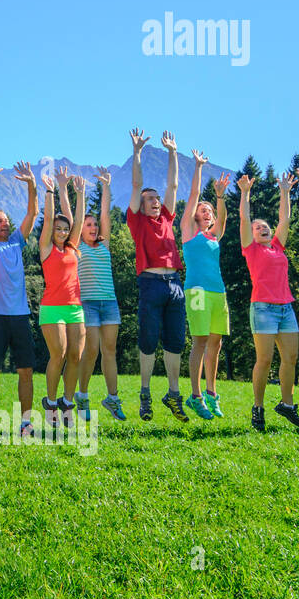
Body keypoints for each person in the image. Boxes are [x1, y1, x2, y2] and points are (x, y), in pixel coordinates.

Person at [126, 128, 189, 422]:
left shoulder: (166, 217)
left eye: (155, 198)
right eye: (148, 198)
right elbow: (137, 182)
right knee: (149, 341)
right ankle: (145, 393)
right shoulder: (137, 222)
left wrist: (173, 152)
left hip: (175, 285)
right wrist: (137, 151)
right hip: (150, 284)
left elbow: (174, 186)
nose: (153, 201)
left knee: (176, 342)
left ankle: (173, 394)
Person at [237, 172, 299, 432]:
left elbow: (285, 219)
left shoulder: (278, 247)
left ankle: (287, 405)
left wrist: (285, 191)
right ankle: (258, 408)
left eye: (265, 226)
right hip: (263, 308)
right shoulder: (250, 249)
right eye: (258, 227)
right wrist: (245, 192)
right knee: (264, 360)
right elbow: (244, 218)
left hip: (286, 308)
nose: (263, 228)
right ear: (252, 235)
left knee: (290, 356)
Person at [0, 162, 39, 440]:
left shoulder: (17, 240)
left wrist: (31, 184)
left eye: (6, 220)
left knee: (26, 370)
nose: (5, 223)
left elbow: (32, 212)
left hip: (20, 316)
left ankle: (26, 423)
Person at [180, 151, 231, 420]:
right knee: (199, 340)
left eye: (209, 210)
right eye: (203, 209)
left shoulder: (214, 237)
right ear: (195, 215)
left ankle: (212, 394)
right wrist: (199, 167)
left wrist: (220, 196)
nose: (207, 212)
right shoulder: (189, 232)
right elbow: (192, 196)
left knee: (216, 343)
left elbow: (222, 220)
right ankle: (196, 395)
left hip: (217, 292)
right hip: (197, 291)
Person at [38, 169, 87, 428]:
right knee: (59, 353)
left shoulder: (73, 247)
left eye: (64, 229)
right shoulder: (46, 249)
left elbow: (78, 222)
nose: (62, 231)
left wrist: (79, 194)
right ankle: (51, 401)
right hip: (52, 309)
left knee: (76, 356)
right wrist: (50, 191)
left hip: (75, 309)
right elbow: (47, 219)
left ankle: (68, 403)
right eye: (58, 228)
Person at [77, 168, 126, 421]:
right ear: (80, 229)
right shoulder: (77, 246)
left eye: (95, 224)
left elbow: (105, 213)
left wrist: (106, 186)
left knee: (110, 350)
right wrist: (78, 192)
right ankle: (82, 396)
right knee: (92, 350)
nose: (94, 227)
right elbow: (77, 218)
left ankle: (112, 398)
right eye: (88, 224)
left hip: (110, 303)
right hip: (87, 303)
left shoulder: (104, 245)